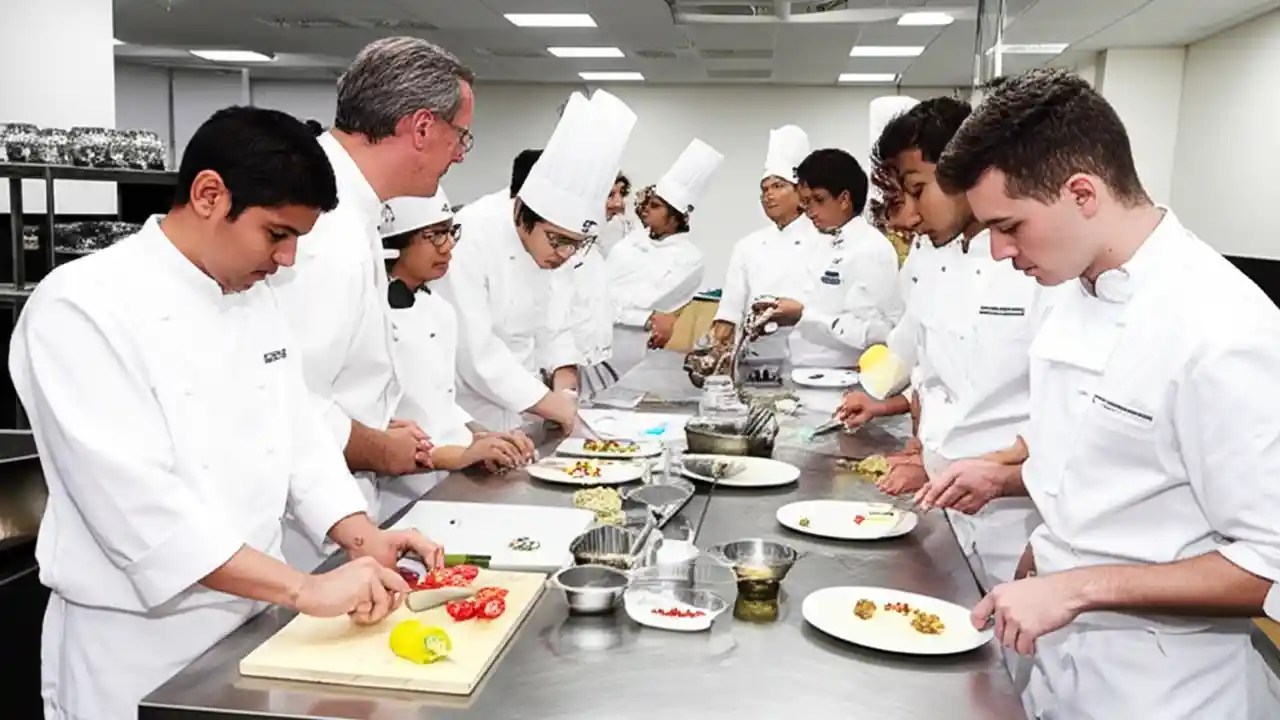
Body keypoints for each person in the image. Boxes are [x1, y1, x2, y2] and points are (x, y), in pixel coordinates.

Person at [10, 107, 445, 720]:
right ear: (209, 195)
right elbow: (139, 510)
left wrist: (361, 536)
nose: (287, 260)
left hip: (250, 618)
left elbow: (298, 433)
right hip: (135, 645)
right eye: (277, 234)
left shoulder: (252, 297)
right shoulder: (81, 305)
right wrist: (304, 587)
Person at [935, 68, 1280, 719]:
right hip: (1056, 670)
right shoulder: (1071, 290)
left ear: (1082, 193)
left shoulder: (1224, 328)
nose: (999, 252)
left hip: (1166, 691)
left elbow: (1269, 562)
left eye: (1010, 226)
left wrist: (1078, 586)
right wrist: (1034, 524)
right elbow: (1102, 458)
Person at [267, 37, 475, 568]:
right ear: (422, 128)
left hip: (338, 504)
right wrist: (378, 447)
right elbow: (288, 403)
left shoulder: (351, 210)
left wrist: (378, 426)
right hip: (305, 527)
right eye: (460, 137)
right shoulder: (325, 231)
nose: (459, 154)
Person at [439, 90, 637, 431]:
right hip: (468, 417)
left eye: (577, 245)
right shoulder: (471, 235)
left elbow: (555, 327)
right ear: (521, 210)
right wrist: (554, 407)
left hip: (523, 411)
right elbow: (475, 353)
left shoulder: (553, 248)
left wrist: (566, 393)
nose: (565, 254)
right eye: (558, 241)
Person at [376, 192, 537, 516]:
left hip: (444, 478)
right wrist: (462, 454)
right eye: (435, 235)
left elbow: (440, 398)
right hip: (394, 493)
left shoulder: (437, 308)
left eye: (451, 232)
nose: (448, 246)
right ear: (394, 242)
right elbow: (376, 427)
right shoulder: (372, 314)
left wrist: (483, 435)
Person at [752, 149, 902, 369]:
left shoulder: (871, 249)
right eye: (806, 202)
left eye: (818, 200)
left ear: (844, 199)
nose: (809, 211)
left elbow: (878, 332)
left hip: (847, 375)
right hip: (807, 370)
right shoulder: (823, 242)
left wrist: (803, 315)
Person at [704, 125, 822, 362]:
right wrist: (717, 342)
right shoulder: (748, 246)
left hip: (810, 356)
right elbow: (731, 307)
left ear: (801, 193)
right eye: (764, 189)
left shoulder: (823, 239)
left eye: (778, 186)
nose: (768, 195)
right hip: (754, 357)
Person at [605, 139, 722, 375]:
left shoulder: (689, 259)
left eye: (656, 206)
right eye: (648, 203)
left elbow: (643, 305)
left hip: (635, 353)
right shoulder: (630, 241)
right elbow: (601, 297)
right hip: (596, 340)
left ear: (676, 217)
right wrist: (636, 313)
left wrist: (638, 315)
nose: (646, 208)